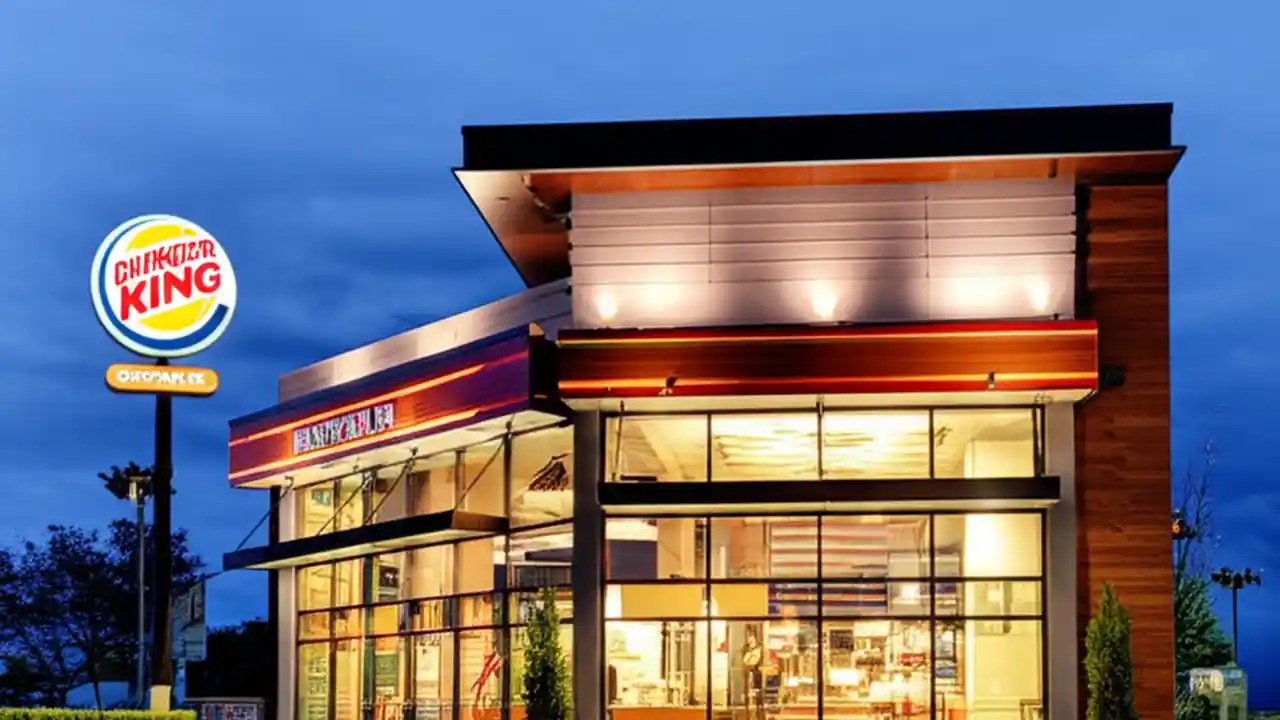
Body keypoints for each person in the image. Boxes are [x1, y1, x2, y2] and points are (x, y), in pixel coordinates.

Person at [742, 632, 764, 720]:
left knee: (757, 691)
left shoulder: (759, 649)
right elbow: (745, 660)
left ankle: (758, 708)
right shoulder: (746, 649)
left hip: (756, 672)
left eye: (752, 639)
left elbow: (756, 659)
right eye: (749, 639)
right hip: (749, 672)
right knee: (749, 692)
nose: (750, 641)